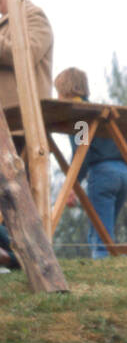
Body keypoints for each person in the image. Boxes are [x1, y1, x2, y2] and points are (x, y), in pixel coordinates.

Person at [53, 67, 127, 259]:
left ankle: (102, 264)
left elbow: (82, 152)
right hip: (123, 171)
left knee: (100, 231)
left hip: (103, 174)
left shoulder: (81, 116)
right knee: (106, 226)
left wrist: (71, 185)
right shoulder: (103, 112)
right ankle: (113, 261)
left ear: (63, 91)